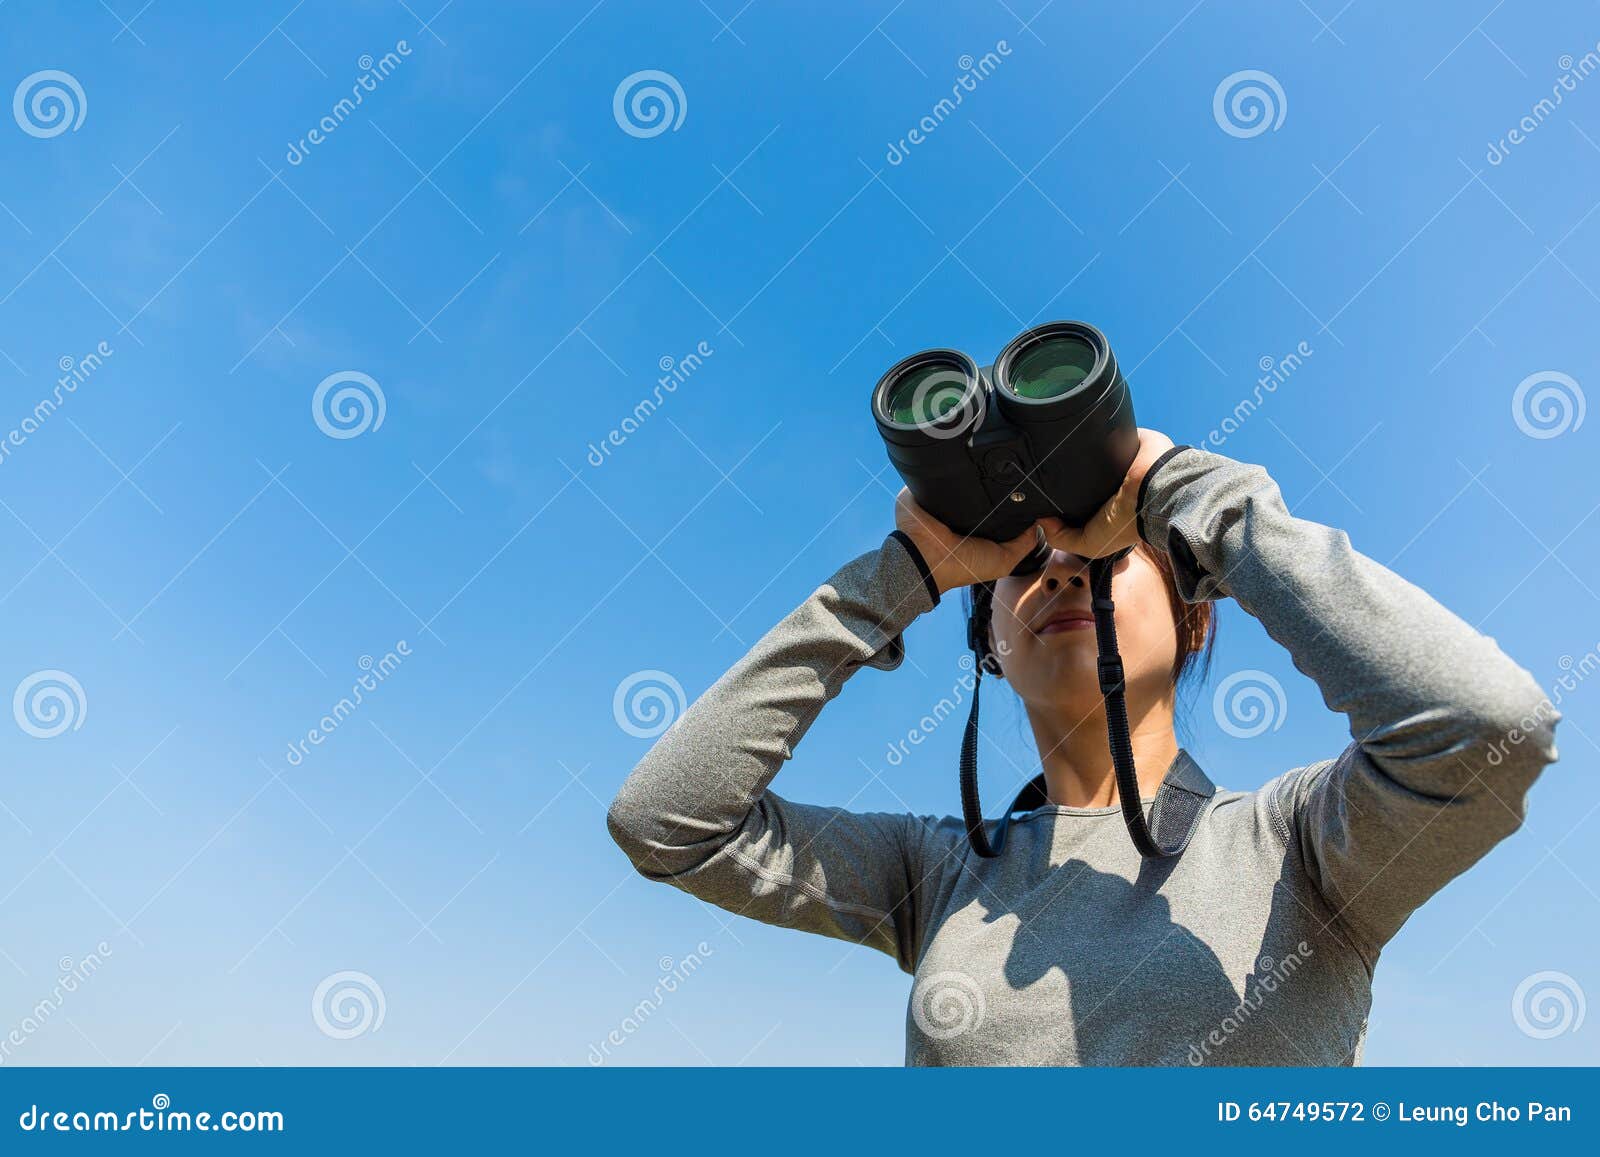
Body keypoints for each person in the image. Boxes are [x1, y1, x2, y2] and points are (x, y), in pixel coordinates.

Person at [607, 431, 1559, 1065]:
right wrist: (901, 576)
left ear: (1194, 614)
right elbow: (665, 822)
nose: (1059, 571)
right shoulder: (939, 871)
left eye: (1100, 557)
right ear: (988, 641)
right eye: (1020, 567)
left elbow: (1485, 723)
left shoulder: (1299, 843)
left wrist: (1183, 492)